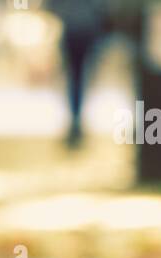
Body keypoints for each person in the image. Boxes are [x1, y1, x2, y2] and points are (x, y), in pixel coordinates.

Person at [47, 0, 109, 148]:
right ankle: (76, 120)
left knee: (77, 77)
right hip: (81, 28)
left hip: (81, 28)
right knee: (77, 77)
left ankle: (76, 119)